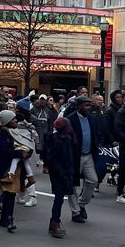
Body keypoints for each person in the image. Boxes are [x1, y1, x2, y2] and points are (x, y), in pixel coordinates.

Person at [63, 95, 103, 224]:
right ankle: (75, 212)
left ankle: (81, 204)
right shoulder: (70, 120)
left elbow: (97, 134)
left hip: (88, 155)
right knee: (72, 184)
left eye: (89, 105)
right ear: (79, 106)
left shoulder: (93, 119)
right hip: (75, 157)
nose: (88, 107)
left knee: (93, 180)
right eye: (86, 105)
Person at [0, 110, 31, 232]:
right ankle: (8, 219)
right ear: (7, 121)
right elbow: (3, 151)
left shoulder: (17, 132)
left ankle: (5, 219)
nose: (15, 121)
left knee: (11, 194)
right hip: (6, 168)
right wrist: (19, 153)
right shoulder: (1, 134)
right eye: (13, 119)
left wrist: (28, 152)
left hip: (17, 168)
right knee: (9, 194)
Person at [44, 118, 79, 238]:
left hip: (66, 171)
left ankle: (54, 223)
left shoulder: (67, 139)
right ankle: (55, 223)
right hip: (59, 173)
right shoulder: (58, 141)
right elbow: (51, 158)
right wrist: (62, 173)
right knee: (59, 199)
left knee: (61, 198)